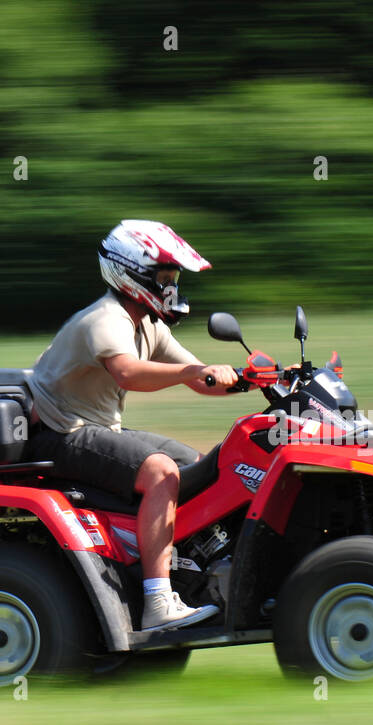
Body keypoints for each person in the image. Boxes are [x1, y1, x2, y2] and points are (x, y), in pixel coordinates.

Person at [26, 220, 239, 631]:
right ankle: (158, 600)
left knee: (203, 464)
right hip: (60, 434)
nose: (171, 288)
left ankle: (195, 569)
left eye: (173, 279)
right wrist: (194, 370)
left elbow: (198, 377)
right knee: (162, 472)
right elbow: (128, 373)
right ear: (132, 273)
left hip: (98, 430)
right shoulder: (105, 319)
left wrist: (254, 378)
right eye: (164, 278)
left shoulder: (149, 324)